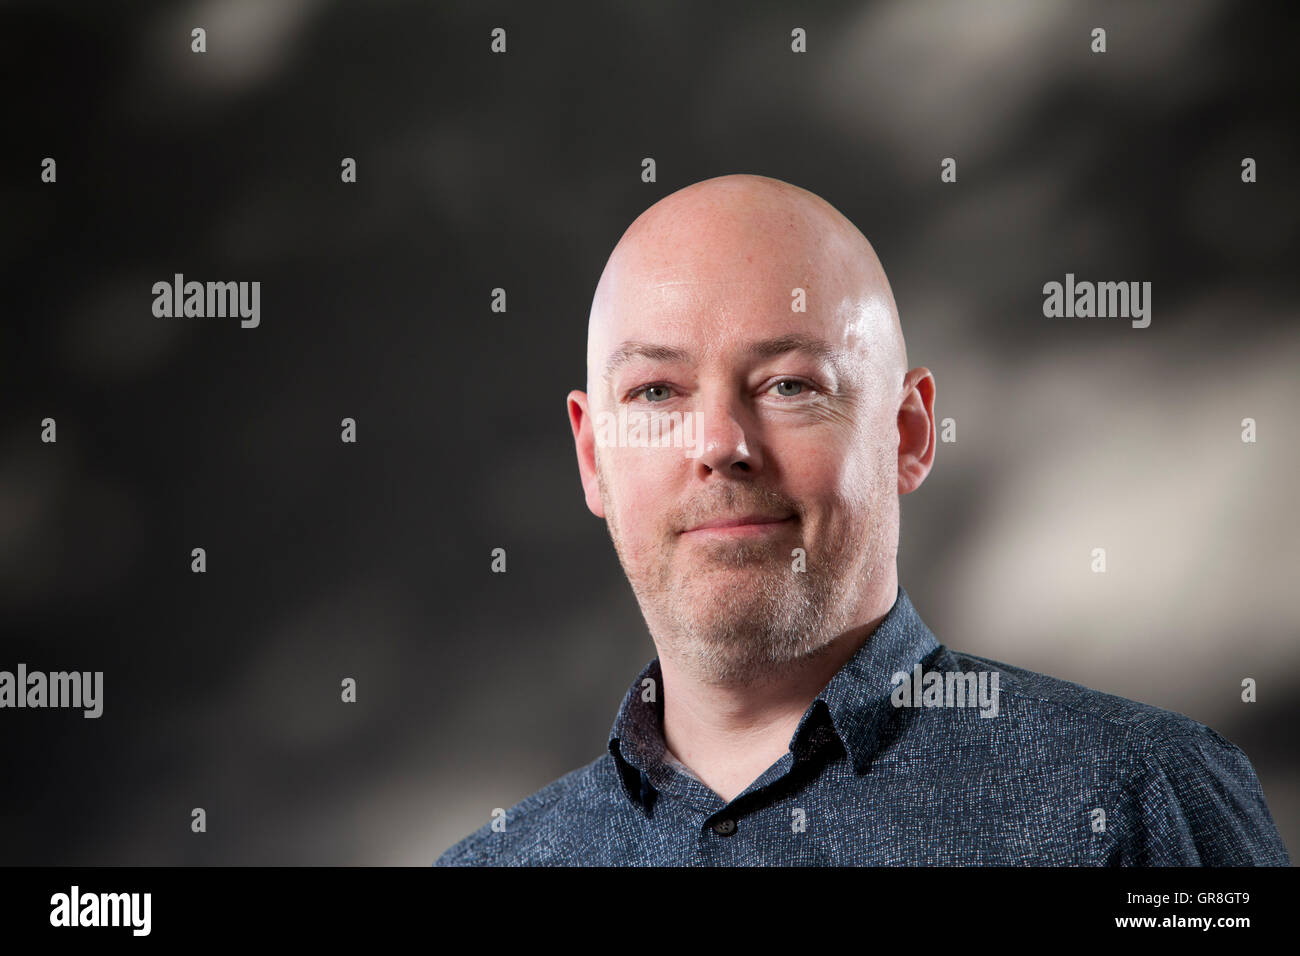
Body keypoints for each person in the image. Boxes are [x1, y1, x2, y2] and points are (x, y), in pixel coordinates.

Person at [436, 174, 1290, 865]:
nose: (722, 444)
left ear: (907, 434)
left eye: (790, 385)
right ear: (594, 458)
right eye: (657, 392)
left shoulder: (1137, 802)